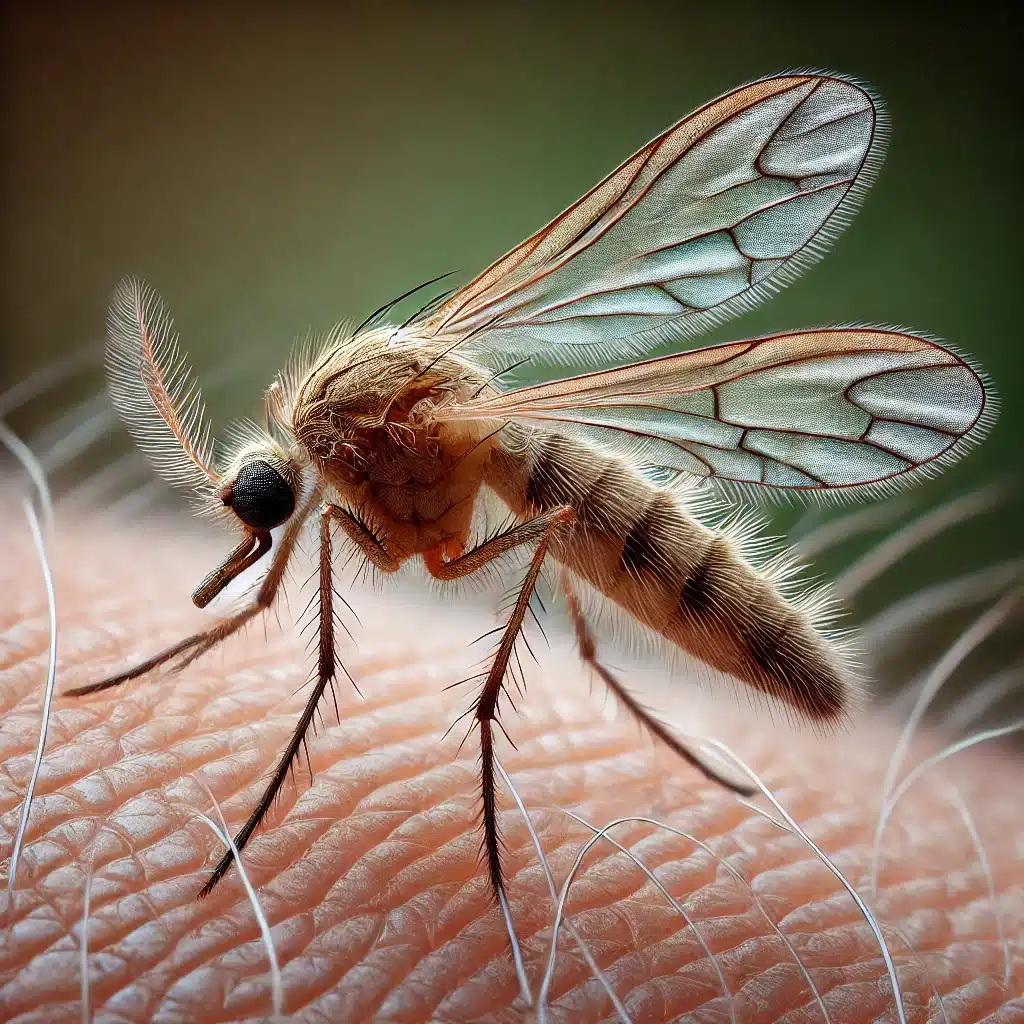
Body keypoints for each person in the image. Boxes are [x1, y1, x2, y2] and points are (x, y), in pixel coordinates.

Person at [1, 510, 1020, 1023]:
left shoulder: (362, 468)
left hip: (585, 506)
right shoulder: (354, 482)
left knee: (547, 520)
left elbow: (543, 529)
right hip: (554, 493)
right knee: (542, 522)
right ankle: (573, 680)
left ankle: (507, 708)